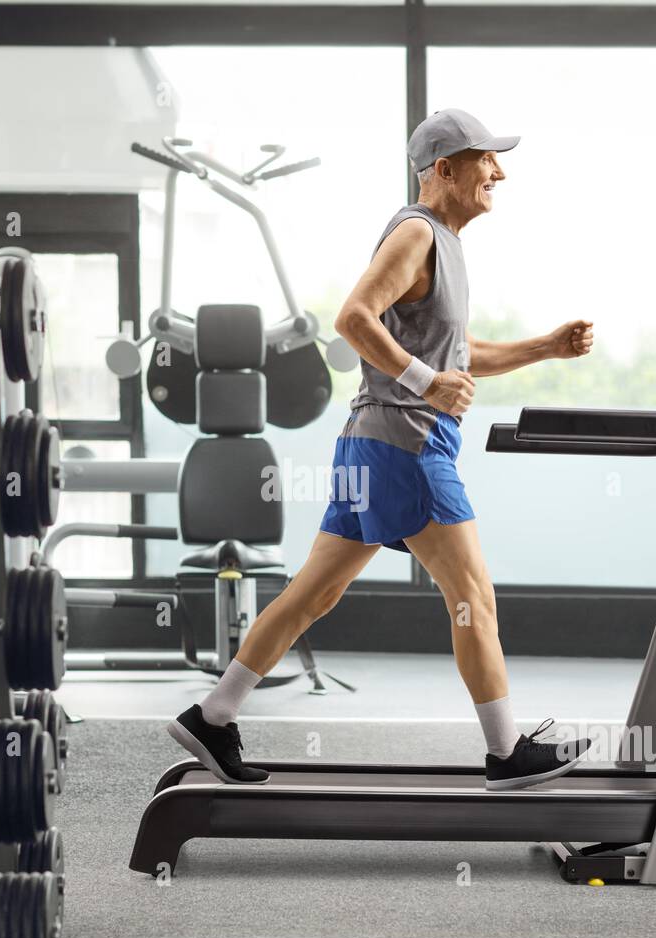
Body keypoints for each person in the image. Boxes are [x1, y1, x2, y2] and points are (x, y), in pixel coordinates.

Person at [169, 108, 595, 789]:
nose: (500, 171)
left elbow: (460, 353)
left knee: (317, 590)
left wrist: (544, 346)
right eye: (487, 159)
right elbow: (353, 318)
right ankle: (506, 751)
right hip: (405, 446)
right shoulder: (416, 231)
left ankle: (212, 715)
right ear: (444, 169)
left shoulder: (444, 243)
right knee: (471, 593)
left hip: (370, 442)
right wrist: (426, 384)